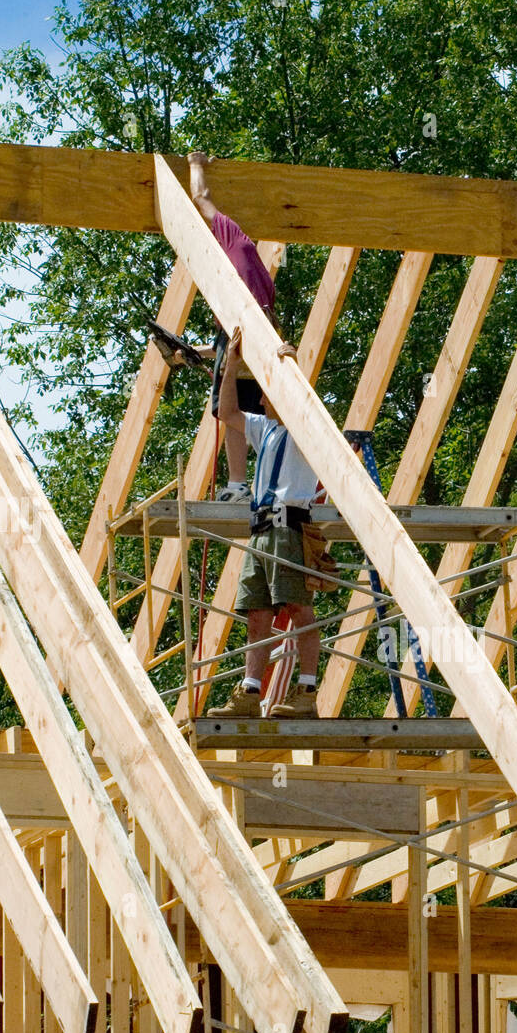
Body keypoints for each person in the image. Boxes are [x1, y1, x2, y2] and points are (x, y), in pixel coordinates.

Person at [209, 328, 321, 719]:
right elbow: (227, 413)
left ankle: (307, 692)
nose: (260, 398)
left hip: (288, 525)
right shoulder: (266, 428)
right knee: (257, 615)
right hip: (260, 528)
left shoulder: (305, 428)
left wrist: (291, 370)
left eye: (267, 392)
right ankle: (250, 693)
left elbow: (304, 402)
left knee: (297, 606)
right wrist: (230, 366)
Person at [187, 151, 290, 500]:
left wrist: (196, 163)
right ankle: (249, 484)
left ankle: (236, 485)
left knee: (236, 412)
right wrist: (197, 354)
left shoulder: (230, 237)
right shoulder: (259, 273)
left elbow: (200, 198)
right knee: (251, 413)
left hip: (244, 342)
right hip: (254, 343)